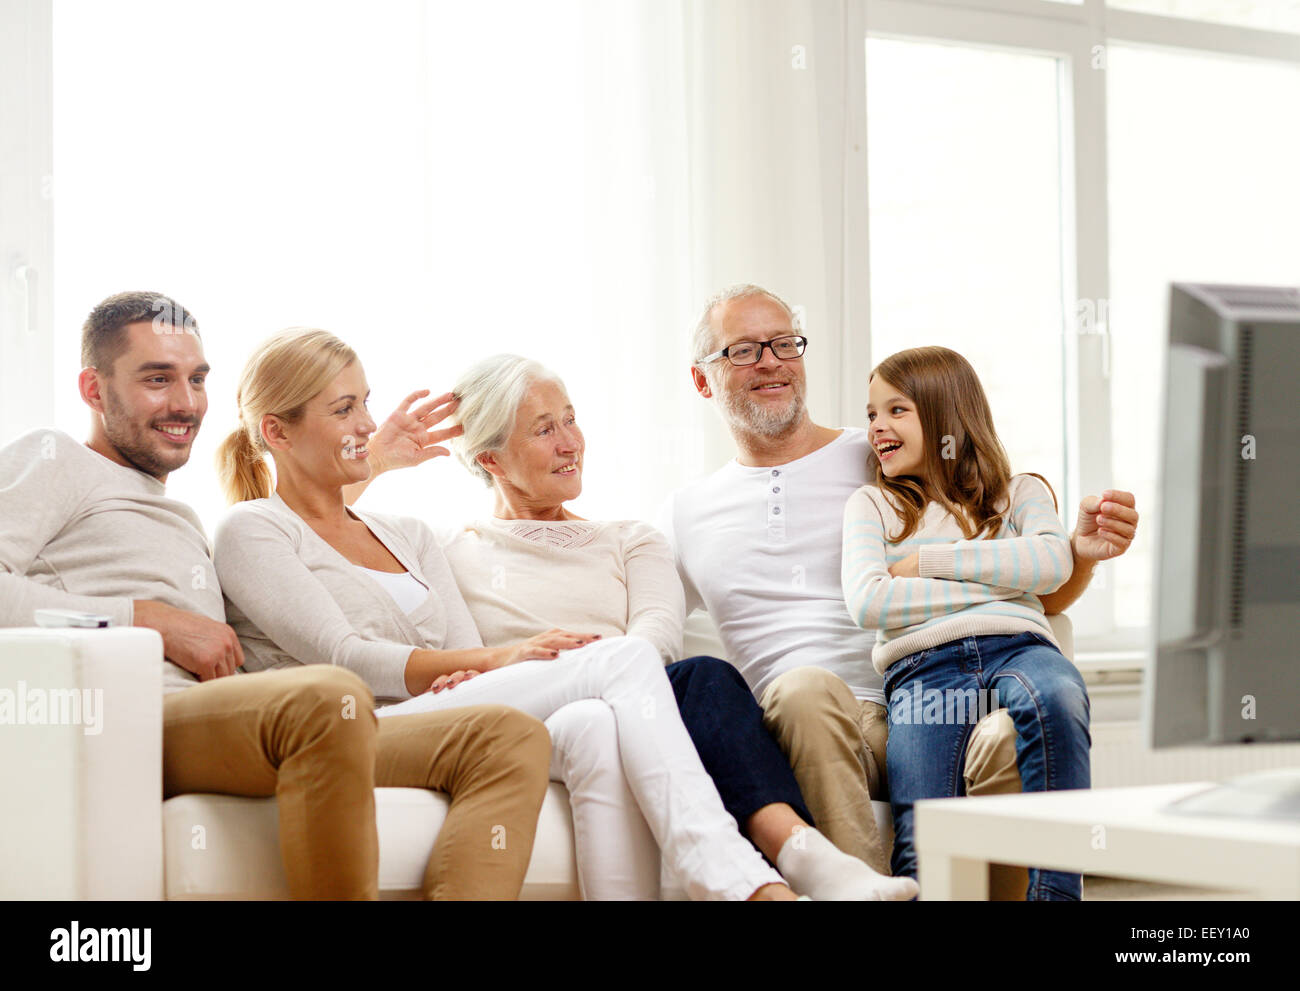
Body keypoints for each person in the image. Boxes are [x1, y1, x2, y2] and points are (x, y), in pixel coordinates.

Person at [212, 329, 800, 901]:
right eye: (344, 409)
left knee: (594, 723)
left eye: (365, 402)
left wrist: (477, 666)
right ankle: (735, 879)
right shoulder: (253, 529)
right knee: (621, 657)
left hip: (438, 716)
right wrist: (499, 655)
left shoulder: (408, 535)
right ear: (275, 432)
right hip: (353, 728)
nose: (368, 422)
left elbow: (468, 661)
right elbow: (343, 657)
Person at [0, 292, 552, 900]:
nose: (184, 402)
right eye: (157, 379)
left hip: (230, 719)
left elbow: (305, 540)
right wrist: (146, 619)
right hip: (134, 714)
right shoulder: (55, 461)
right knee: (328, 695)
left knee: (504, 735)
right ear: (93, 388)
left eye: (197, 379)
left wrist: (372, 460)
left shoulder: (183, 516)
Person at [351, 353, 918, 901]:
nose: (570, 441)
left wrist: (609, 675)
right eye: (544, 429)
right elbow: (308, 527)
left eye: (570, 419)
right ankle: (790, 861)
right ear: (493, 460)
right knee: (680, 678)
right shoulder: (450, 550)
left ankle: (797, 855)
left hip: (622, 710)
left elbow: (657, 635)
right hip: (521, 716)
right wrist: (374, 460)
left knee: (698, 677)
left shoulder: (631, 538)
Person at [659, 283, 1139, 898]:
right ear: (704, 380)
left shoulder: (885, 458)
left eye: (784, 342)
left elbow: (1026, 591)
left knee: (1018, 725)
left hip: (928, 687)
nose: (772, 361)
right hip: (813, 727)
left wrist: (1079, 558)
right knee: (806, 690)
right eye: (745, 350)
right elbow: (653, 639)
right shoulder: (685, 513)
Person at [843, 345, 1090, 899]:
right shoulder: (871, 505)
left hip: (1020, 649)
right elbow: (869, 601)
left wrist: (925, 563)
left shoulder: (1020, 492)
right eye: (871, 414)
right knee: (922, 844)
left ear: (945, 412)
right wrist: (1005, 577)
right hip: (924, 671)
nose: (876, 427)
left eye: (895, 410)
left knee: (1061, 697)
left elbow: (1051, 565)